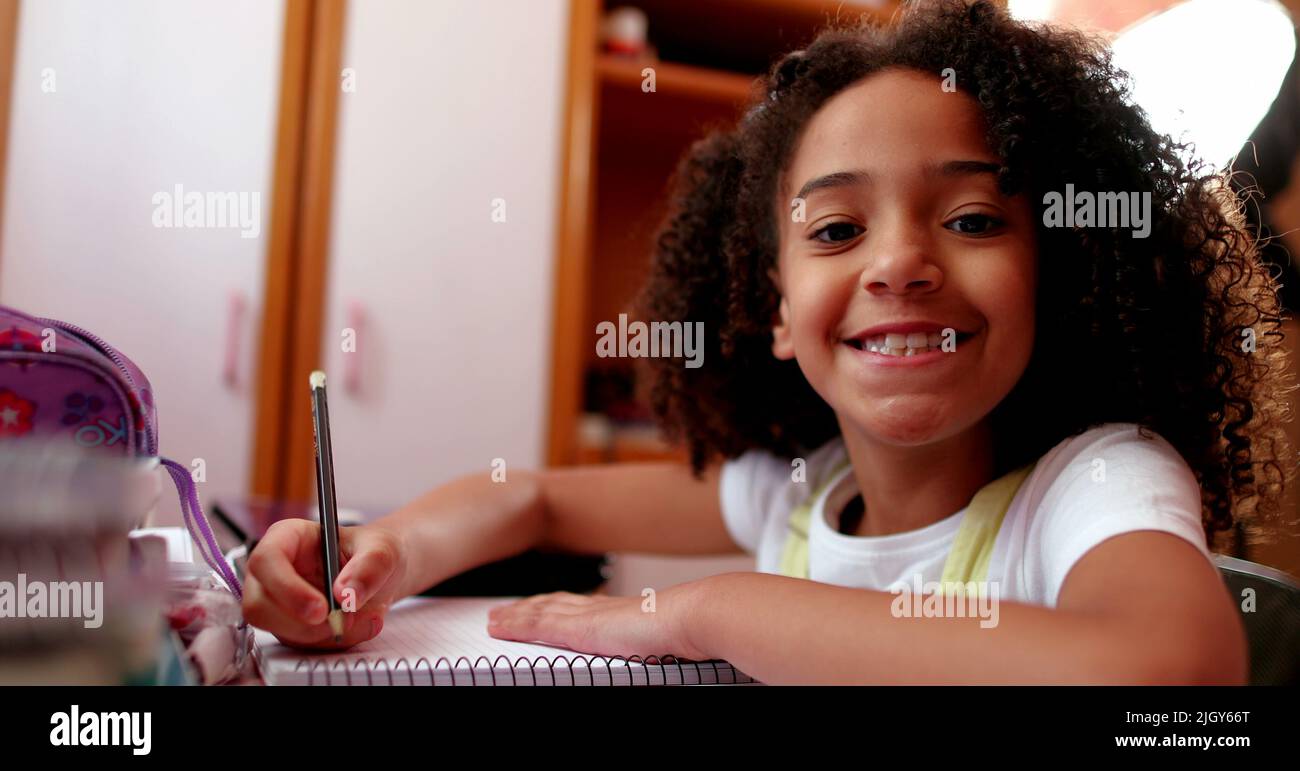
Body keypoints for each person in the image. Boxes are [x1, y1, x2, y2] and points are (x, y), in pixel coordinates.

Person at [242, 1, 1291, 683]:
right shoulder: (799, 488)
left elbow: (1172, 666)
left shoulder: (1092, 485)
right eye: (836, 230)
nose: (897, 264)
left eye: (970, 220)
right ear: (780, 312)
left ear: (1058, 279)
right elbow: (532, 496)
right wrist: (381, 558)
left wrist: (719, 608)